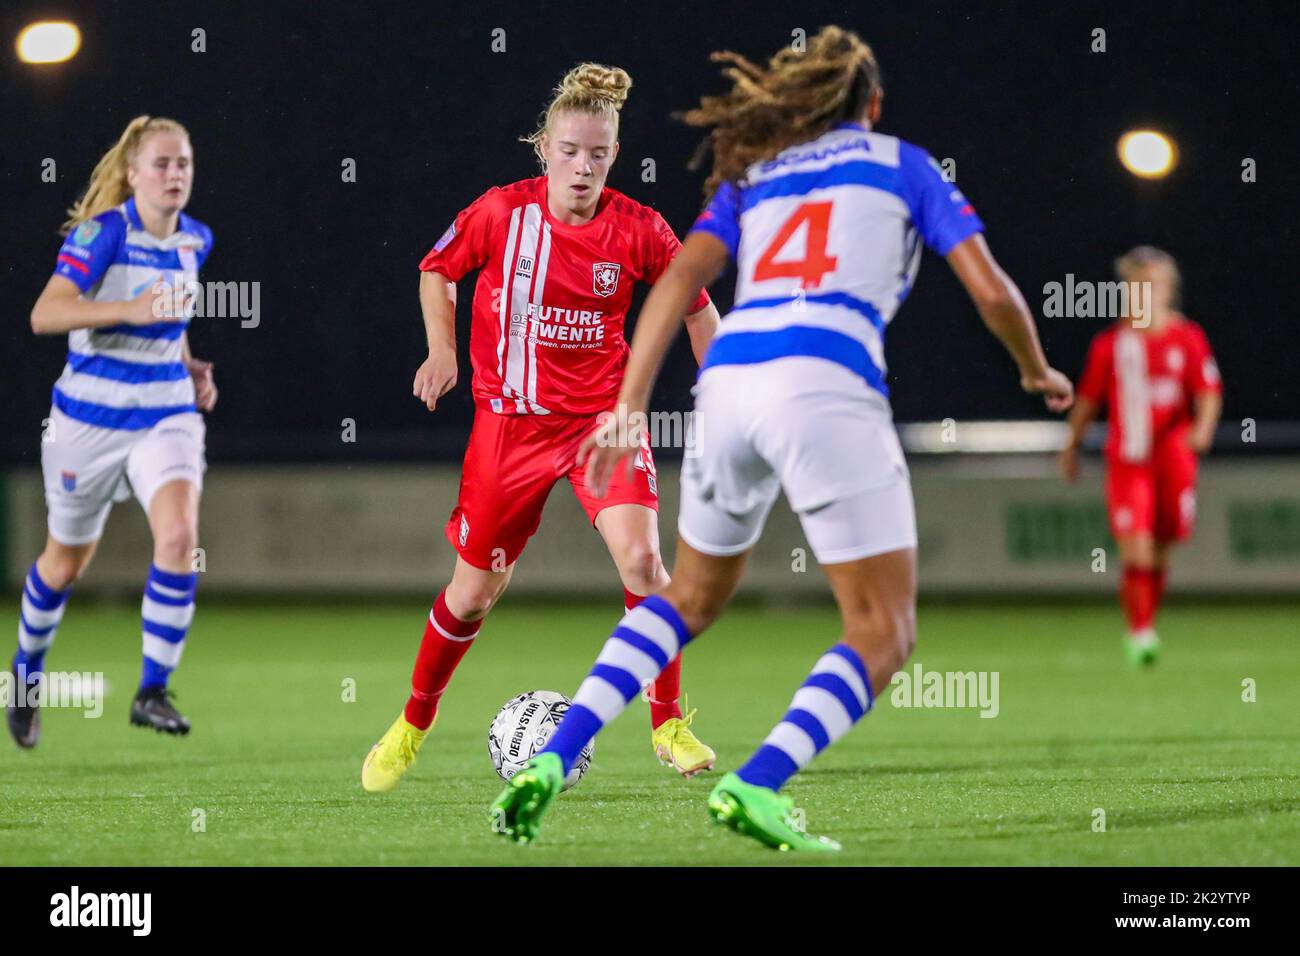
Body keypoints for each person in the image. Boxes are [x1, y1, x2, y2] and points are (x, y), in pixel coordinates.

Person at [490, 26, 1074, 850]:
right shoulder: (903, 164)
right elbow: (993, 290)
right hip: (825, 379)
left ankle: (554, 755)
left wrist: (628, 403)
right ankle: (758, 783)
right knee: (882, 630)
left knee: (685, 598)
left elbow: (680, 283)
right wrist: (1035, 369)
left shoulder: (756, 172)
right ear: (871, 106)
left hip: (728, 380)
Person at [361, 64, 722, 792]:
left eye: (597, 153)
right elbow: (438, 269)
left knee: (644, 566)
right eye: (568, 150)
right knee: (471, 596)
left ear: (615, 154)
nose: (582, 166)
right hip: (509, 428)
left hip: (603, 426)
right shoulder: (501, 213)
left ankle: (669, 724)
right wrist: (442, 348)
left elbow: (695, 307)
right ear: (544, 149)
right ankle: (411, 724)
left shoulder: (639, 228)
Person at [9, 115, 216, 747]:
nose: (174, 174)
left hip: (165, 413)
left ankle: (152, 690)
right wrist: (128, 308)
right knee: (64, 564)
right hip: (87, 421)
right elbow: (45, 313)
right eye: (161, 163)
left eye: (182, 162)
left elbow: (171, 318)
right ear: (132, 174)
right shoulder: (104, 233)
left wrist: (189, 365)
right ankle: (24, 678)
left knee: (179, 537)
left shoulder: (196, 240)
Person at [1060, 247, 1222, 665]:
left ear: (1169, 290)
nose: (1143, 293)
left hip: (1174, 460)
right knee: (1136, 549)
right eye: (1135, 285)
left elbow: (1207, 391)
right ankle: (1140, 632)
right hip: (1129, 462)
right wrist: (1071, 447)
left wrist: (1202, 431)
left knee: (1161, 549)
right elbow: (1089, 400)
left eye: (1151, 285)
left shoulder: (1187, 338)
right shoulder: (1112, 345)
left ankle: (1146, 619)